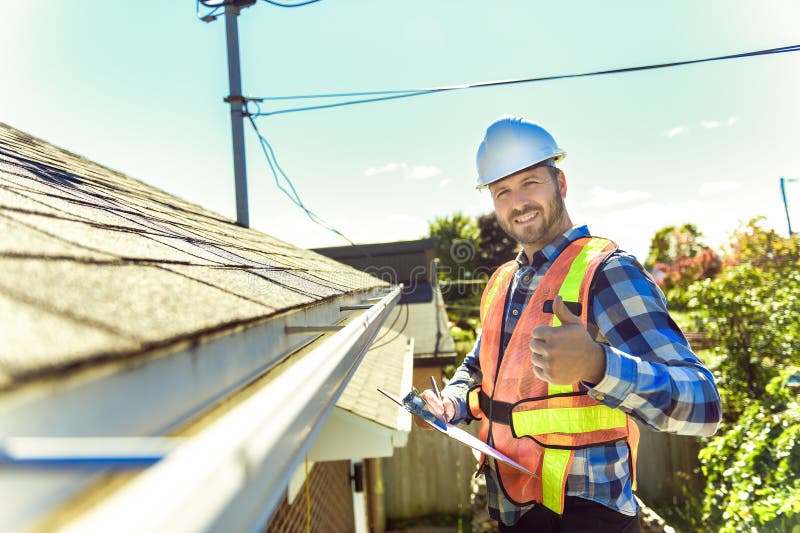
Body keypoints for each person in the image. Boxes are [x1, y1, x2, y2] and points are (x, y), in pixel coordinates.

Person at [415, 116, 722, 532]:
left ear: (560, 184)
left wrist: (598, 366)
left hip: (586, 517)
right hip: (513, 509)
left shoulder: (607, 272)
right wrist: (449, 404)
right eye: (502, 190)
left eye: (530, 183)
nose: (517, 201)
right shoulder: (503, 282)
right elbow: (478, 370)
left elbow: (703, 405)